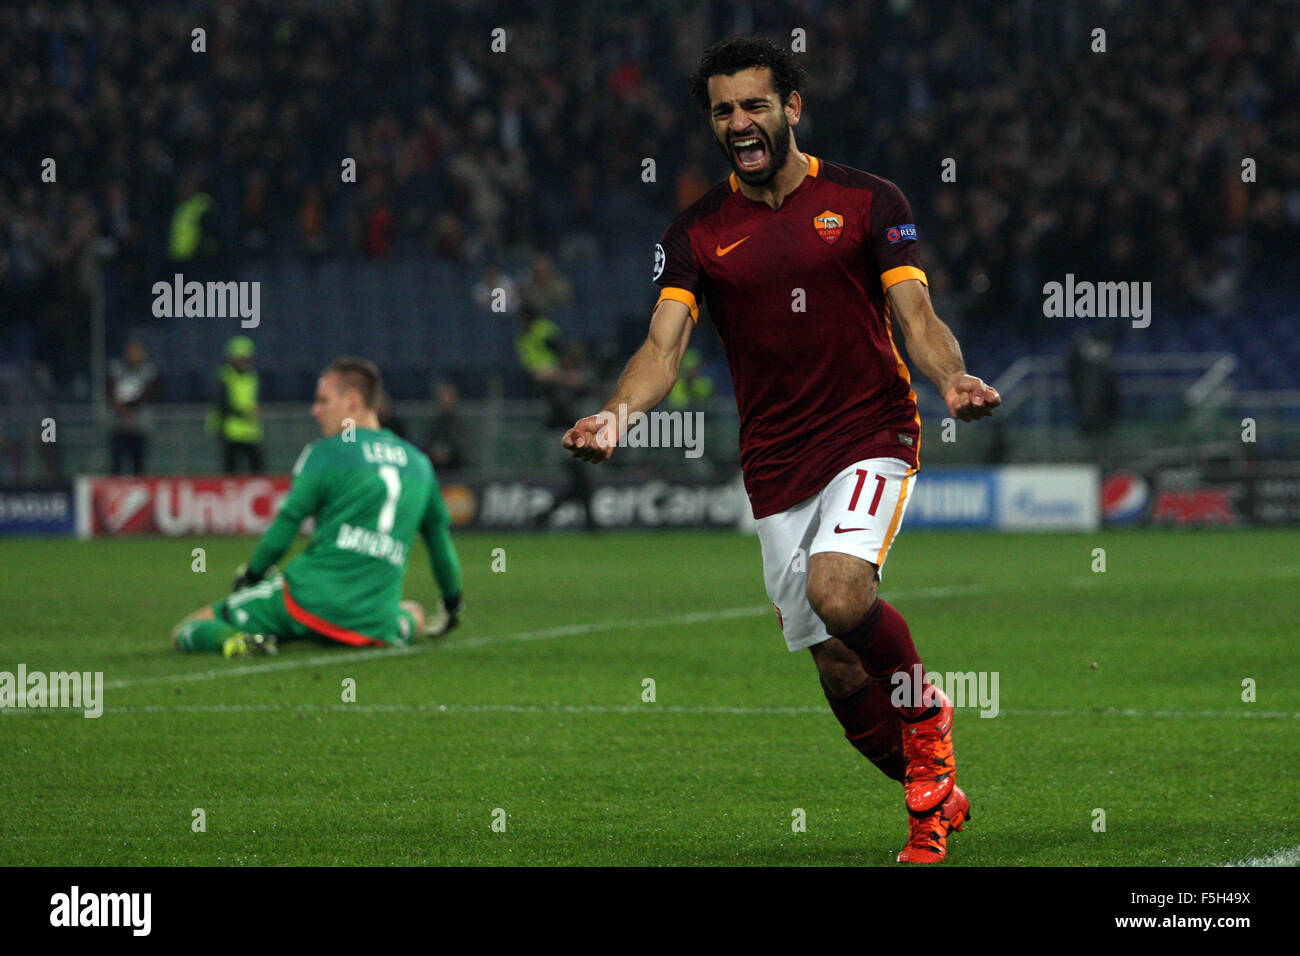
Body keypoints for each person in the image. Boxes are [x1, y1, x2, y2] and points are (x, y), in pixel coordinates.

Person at [563, 36, 1002, 863]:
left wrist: (951, 377)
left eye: (754, 104)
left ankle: (927, 723)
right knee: (838, 668)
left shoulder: (867, 201)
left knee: (840, 592)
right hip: (775, 463)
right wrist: (616, 415)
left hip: (870, 430)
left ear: (791, 108)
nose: (739, 122)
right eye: (724, 110)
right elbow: (662, 349)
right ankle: (934, 798)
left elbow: (915, 316)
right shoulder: (697, 232)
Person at [173, 357, 464, 657]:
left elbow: (288, 522)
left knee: (189, 628)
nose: (316, 410)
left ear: (352, 401)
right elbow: (439, 543)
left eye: (324, 400)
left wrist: (253, 575)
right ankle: (385, 623)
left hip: (305, 602)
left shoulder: (326, 453)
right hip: (373, 620)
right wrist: (452, 603)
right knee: (413, 612)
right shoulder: (420, 464)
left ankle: (234, 641)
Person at [208, 335, 264, 473]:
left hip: (251, 431)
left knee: (258, 468)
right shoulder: (224, 376)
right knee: (230, 470)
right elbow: (222, 404)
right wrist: (243, 413)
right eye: (240, 358)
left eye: (246, 358)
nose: (243, 361)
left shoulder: (252, 375)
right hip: (230, 431)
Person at [106, 338, 158, 475]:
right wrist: (123, 410)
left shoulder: (148, 371)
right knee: (116, 465)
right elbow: (109, 392)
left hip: (139, 426)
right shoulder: (116, 369)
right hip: (118, 426)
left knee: (139, 467)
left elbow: (149, 394)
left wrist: (130, 408)